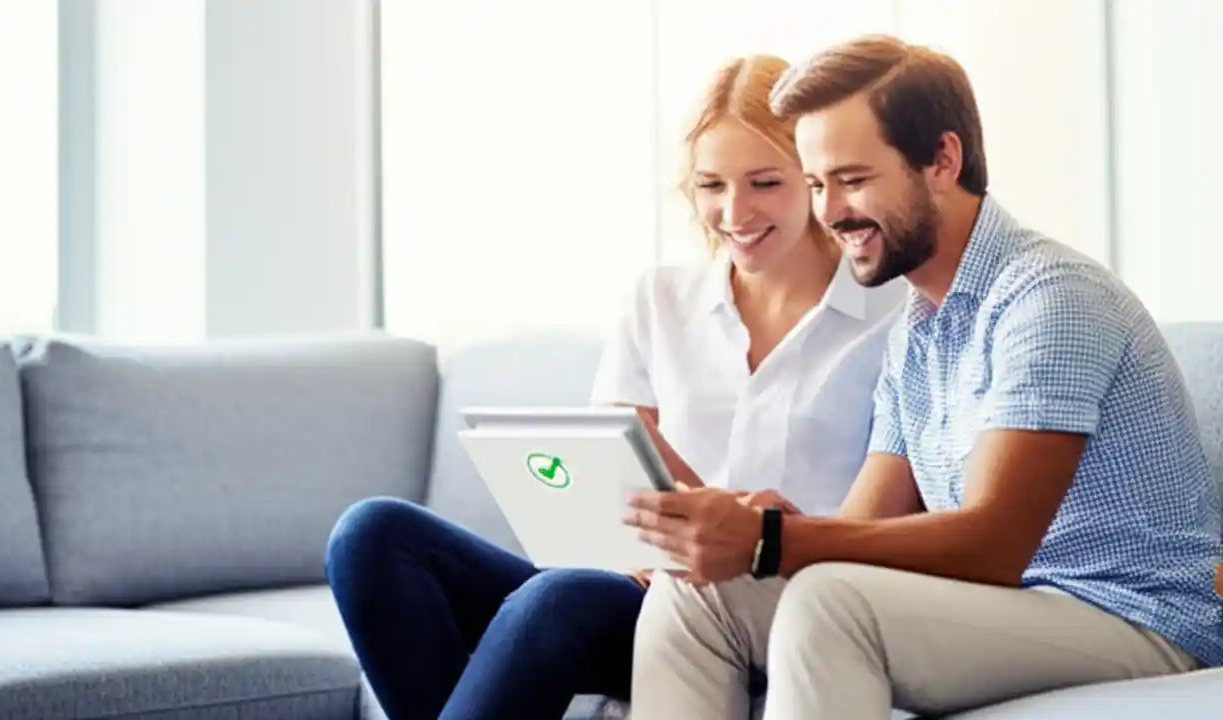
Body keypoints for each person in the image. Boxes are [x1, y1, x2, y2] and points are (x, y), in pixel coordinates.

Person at [624, 34, 1223, 720]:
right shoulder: (917, 327)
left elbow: (995, 542)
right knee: (695, 593)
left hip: (1134, 614)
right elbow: (860, 531)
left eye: (852, 179)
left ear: (942, 160)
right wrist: (770, 525)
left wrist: (767, 539)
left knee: (832, 606)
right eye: (817, 185)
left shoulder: (1051, 295)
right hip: (1009, 609)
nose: (829, 212)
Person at [323, 54, 905, 720]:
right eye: (710, 185)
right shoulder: (660, 299)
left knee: (556, 600)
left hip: (771, 599)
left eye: (764, 182)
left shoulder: (888, 317)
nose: (733, 211)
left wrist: (742, 530)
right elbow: (610, 470)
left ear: (813, 177)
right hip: (638, 585)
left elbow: (882, 525)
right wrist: (617, 533)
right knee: (371, 534)